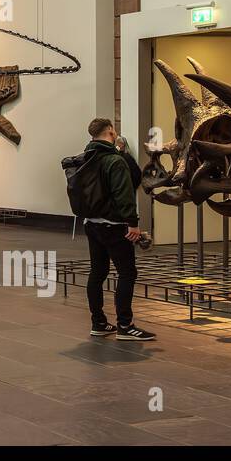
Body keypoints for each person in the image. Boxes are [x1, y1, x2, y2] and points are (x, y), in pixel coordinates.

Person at [79, 118, 154, 341]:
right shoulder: (114, 160)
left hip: (91, 224)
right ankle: (125, 325)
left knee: (97, 272)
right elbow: (124, 194)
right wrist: (133, 223)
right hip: (114, 226)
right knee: (127, 272)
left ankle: (99, 322)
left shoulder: (84, 158)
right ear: (111, 131)